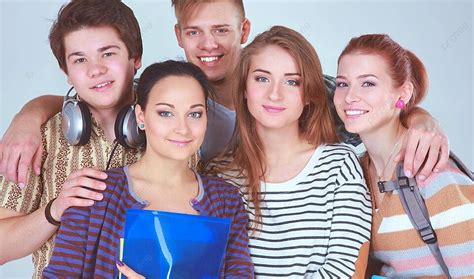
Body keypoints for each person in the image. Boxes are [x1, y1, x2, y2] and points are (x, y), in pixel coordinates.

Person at [0, 0, 449, 187]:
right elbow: (94, 93)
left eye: (221, 30)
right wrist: (28, 113)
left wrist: (421, 119)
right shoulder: (166, 96)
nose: (208, 45)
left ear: (244, 29)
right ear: (178, 35)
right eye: (195, 32)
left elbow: (366, 107)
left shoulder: (291, 86)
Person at [42, 60, 254, 278]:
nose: (182, 128)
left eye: (195, 114)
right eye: (165, 113)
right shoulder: (94, 193)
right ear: (141, 116)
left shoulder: (226, 199)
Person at [206, 25, 372, 278]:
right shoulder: (219, 176)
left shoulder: (338, 165)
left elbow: (344, 271)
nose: (275, 94)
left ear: (308, 94)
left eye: (292, 81)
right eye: (262, 78)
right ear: (243, 88)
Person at [0, 1, 143, 277]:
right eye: (79, 59)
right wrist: (56, 209)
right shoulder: (39, 137)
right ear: (66, 72)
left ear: (135, 57)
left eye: (108, 53)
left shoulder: (172, 128)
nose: (95, 69)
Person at [333, 33, 474, 277]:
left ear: (403, 94)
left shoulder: (433, 172)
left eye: (368, 83)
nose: (350, 96)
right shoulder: (355, 172)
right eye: (343, 83)